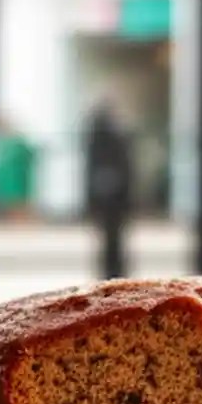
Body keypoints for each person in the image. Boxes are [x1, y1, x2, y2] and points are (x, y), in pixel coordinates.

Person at [84, 101, 133, 279]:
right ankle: (113, 270)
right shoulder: (111, 136)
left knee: (111, 238)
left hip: (110, 196)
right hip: (113, 196)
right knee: (112, 239)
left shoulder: (98, 137)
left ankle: (112, 270)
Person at [0, 113, 36, 222]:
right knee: (11, 202)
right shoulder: (2, 142)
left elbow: (28, 155)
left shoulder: (16, 142)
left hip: (18, 178)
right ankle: (15, 220)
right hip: (11, 179)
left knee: (18, 201)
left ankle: (21, 220)